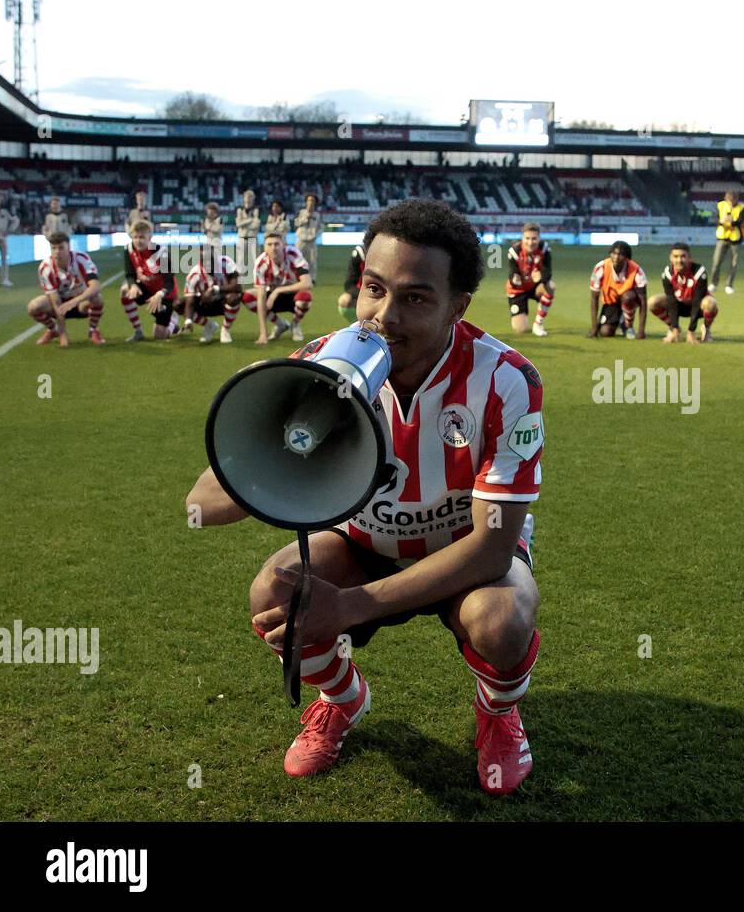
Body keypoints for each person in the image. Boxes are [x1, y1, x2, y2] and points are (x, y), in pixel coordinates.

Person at [184, 199, 544, 795]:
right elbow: (200, 505)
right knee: (275, 592)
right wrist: (279, 427)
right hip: (363, 543)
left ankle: (499, 712)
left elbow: (491, 549)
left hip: (465, 555)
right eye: (373, 288)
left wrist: (350, 609)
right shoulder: (319, 362)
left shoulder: (505, 379)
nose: (384, 315)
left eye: (416, 298)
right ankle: (343, 700)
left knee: (502, 619)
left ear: (458, 306)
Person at [28, 231, 103, 347]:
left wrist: (75, 301)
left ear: (69, 247)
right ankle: (54, 330)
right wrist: (63, 335)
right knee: (34, 307)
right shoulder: (45, 268)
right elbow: (55, 301)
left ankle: (93, 330)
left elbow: (96, 285)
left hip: (80, 303)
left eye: (61, 247)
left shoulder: (81, 259)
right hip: (60, 304)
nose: (57, 252)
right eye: (54, 248)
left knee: (97, 298)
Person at [245, 232, 313, 344]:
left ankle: (295, 324)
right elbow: (261, 297)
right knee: (248, 296)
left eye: (277, 244)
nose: (273, 248)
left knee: (305, 297)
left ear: (284, 245)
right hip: (272, 299)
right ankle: (280, 324)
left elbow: (307, 283)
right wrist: (263, 334)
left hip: (292, 295)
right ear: (265, 247)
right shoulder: (260, 263)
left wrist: (277, 290)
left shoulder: (293, 254)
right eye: (269, 244)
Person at [120, 220, 178, 341]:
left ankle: (173, 320)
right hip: (147, 289)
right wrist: (133, 285)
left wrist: (160, 294)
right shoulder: (129, 249)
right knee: (125, 289)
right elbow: (129, 274)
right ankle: (138, 331)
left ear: (150, 237)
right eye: (135, 237)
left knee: (160, 335)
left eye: (142, 237)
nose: (138, 241)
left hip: (165, 294)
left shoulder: (161, 253)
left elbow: (169, 283)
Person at [648, 242, 717, 343]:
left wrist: (691, 331)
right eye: (676, 256)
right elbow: (671, 301)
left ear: (689, 257)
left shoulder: (699, 272)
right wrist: (674, 327)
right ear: (671, 258)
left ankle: (706, 329)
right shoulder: (667, 273)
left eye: (683, 256)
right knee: (652, 302)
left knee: (710, 303)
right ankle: (673, 329)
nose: (679, 260)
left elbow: (697, 301)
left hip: (698, 307)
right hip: (678, 305)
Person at [182, 246, 242, 344]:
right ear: (200, 261)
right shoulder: (194, 274)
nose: (208, 264)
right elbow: (190, 301)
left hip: (223, 303)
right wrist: (188, 321)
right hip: (205, 304)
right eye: (204, 261)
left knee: (233, 298)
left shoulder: (226, 263)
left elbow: (238, 287)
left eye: (211, 260)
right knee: (179, 304)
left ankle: (226, 329)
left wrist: (215, 289)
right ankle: (209, 325)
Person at [588, 240, 647, 338]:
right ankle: (618, 320)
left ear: (627, 257)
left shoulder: (637, 271)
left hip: (629, 300)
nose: (616, 257)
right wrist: (594, 327)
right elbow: (594, 298)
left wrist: (641, 331)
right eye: (614, 253)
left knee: (628, 297)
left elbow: (643, 302)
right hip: (611, 303)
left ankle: (628, 326)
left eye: (620, 254)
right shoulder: (600, 268)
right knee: (605, 332)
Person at [506, 222, 555, 336]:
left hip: (534, 287)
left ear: (539, 238)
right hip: (517, 291)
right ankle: (522, 314)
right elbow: (513, 274)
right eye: (527, 238)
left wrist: (541, 277)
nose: (530, 242)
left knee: (550, 286)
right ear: (523, 238)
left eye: (534, 239)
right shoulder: (514, 251)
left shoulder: (545, 248)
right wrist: (515, 279)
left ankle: (538, 324)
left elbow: (548, 272)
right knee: (520, 329)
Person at [712, 189, 744, 294]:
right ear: (726, 199)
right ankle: (713, 284)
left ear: (737, 200)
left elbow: (741, 221)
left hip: (735, 239)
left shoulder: (742, 208)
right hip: (722, 237)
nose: (731, 203)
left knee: (734, 263)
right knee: (716, 261)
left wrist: (731, 222)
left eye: (733, 201)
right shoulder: (720, 206)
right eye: (729, 201)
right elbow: (715, 219)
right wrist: (721, 221)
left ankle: (729, 285)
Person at [295, 194, 322, 278]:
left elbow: (320, 228)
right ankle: (297, 277)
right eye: (309, 200)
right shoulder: (301, 212)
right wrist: (306, 218)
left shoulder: (317, 215)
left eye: (312, 200)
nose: (310, 202)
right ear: (306, 202)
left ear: (315, 203)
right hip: (301, 240)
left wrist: (316, 235)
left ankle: (312, 279)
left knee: (312, 261)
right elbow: (296, 223)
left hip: (311, 241)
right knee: (297, 259)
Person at [235, 190, 261, 274]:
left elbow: (256, 225)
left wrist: (244, 223)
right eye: (247, 196)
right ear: (244, 198)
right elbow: (238, 224)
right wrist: (250, 220)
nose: (248, 198)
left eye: (251, 196)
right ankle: (239, 275)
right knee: (240, 258)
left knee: (256, 258)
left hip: (253, 237)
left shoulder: (256, 209)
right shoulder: (239, 209)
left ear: (253, 198)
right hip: (242, 237)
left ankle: (259, 274)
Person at [338, 243, 364, 322]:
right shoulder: (360, 253)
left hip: (384, 293)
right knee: (344, 300)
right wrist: (363, 294)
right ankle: (356, 325)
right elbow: (349, 284)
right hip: (364, 291)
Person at [0, 193, 18, 287]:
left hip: (2, 239)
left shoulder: (4, 212)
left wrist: (9, 231)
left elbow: (15, 220)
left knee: (4, 260)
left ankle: (5, 279)